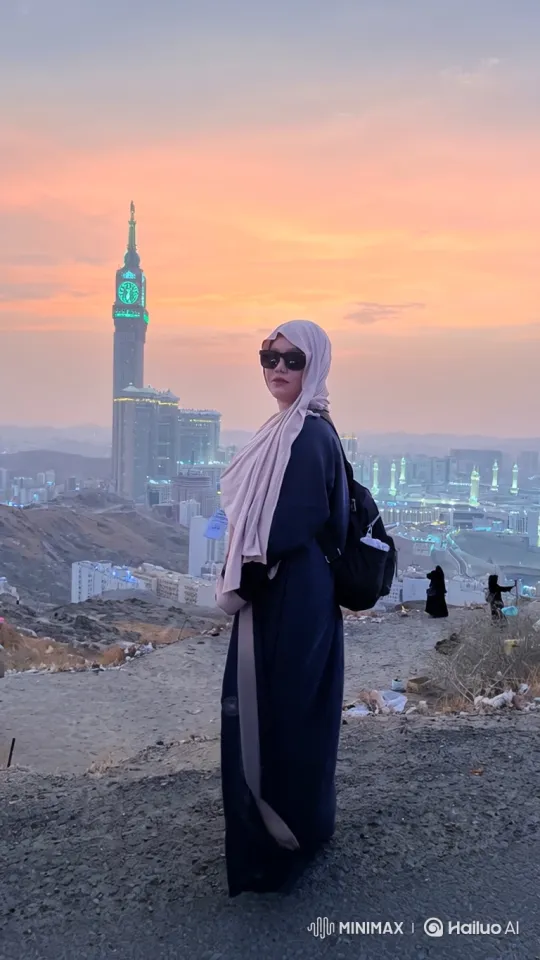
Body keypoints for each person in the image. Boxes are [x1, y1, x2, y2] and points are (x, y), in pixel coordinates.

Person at [217, 320, 349, 898]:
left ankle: (275, 847)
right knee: (293, 713)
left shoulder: (306, 435)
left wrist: (239, 586)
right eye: (268, 356)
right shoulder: (294, 429)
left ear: (314, 365)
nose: (277, 368)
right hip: (297, 592)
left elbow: (282, 528)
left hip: (288, 595)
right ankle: (299, 828)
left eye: (292, 359)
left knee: (275, 714)